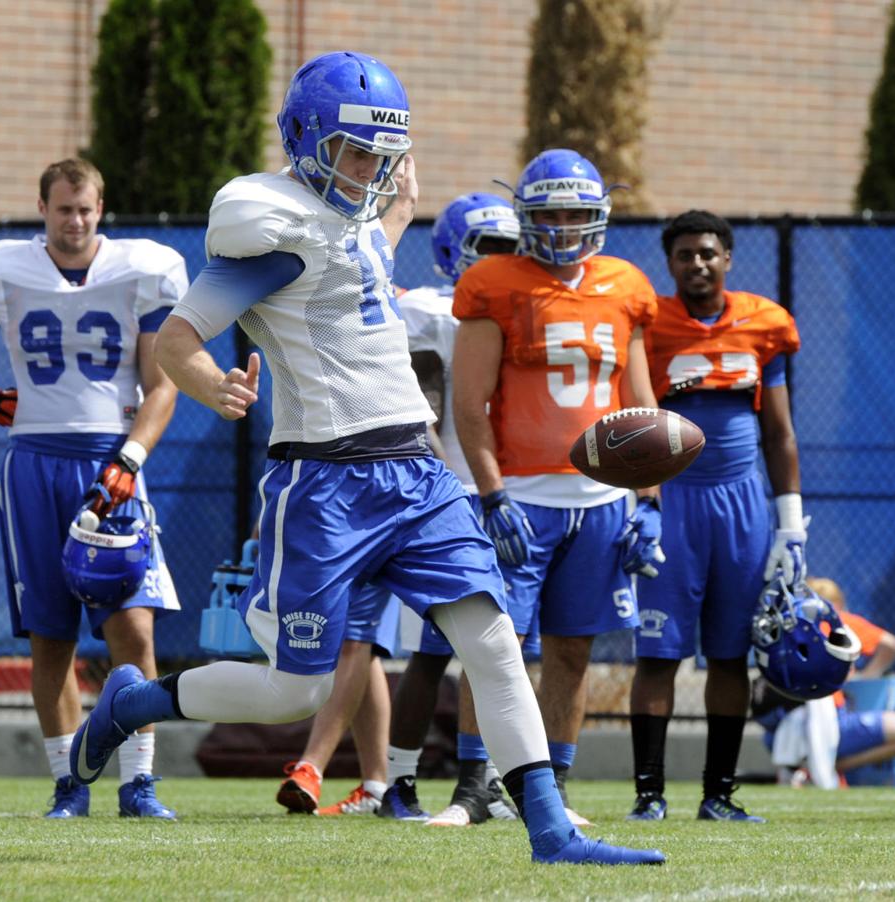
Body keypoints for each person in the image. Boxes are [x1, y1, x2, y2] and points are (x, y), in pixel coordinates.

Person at [74, 51, 663, 866]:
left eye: (384, 156)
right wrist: (213, 387)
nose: (373, 170)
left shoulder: (353, 225)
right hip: (326, 483)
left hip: (418, 473)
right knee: (297, 690)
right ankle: (132, 705)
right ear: (308, 142)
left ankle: (551, 832)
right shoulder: (274, 234)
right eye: (358, 153)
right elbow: (179, 336)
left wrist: (400, 205)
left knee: (490, 639)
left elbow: (363, 250)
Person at [0, 157, 188, 819]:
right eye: (63, 208)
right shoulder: (1, 269)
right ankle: (68, 783)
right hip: (33, 463)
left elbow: (163, 385)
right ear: (42, 209)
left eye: (86, 208)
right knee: (52, 637)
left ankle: (139, 783)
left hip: (112, 459)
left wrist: (129, 458)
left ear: (101, 209)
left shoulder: (142, 269)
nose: (75, 221)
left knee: (134, 631)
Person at [452, 149, 664, 825]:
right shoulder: (494, 281)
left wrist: (650, 499)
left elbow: (641, 404)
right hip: (522, 494)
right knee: (496, 645)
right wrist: (492, 494)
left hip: (601, 500)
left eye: (577, 211)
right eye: (550, 213)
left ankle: (555, 786)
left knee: (573, 649)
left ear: (600, 214)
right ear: (526, 216)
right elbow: (468, 405)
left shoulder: (626, 284)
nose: (566, 225)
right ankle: (476, 783)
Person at [627, 210, 804, 822]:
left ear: (727, 257)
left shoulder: (765, 323)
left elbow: (779, 434)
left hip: (742, 504)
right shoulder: (647, 324)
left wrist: (791, 524)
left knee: (731, 655)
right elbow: (635, 425)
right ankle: (649, 796)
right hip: (673, 501)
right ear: (670, 263)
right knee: (658, 654)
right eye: (684, 255)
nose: (697, 264)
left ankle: (718, 796)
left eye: (707, 252)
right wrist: (642, 504)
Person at [376, 193, 525, 827]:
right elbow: (423, 409)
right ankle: (399, 783)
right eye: (487, 248)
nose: (498, 260)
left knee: (501, 647)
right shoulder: (430, 310)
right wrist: (454, 488)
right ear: (452, 251)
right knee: (434, 651)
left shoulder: (526, 304)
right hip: (453, 494)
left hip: (514, 493)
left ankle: (490, 779)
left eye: (506, 248)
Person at [759, 576, 895, 782]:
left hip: (778, 736)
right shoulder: (837, 620)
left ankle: (815, 768)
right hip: (831, 725)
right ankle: (824, 767)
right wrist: (866, 675)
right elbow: (892, 644)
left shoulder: (786, 627)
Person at [274, 588, 398, 816]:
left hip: (369, 551)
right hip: (328, 552)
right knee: (362, 646)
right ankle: (376, 789)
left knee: (353, 637)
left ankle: (311, 769)